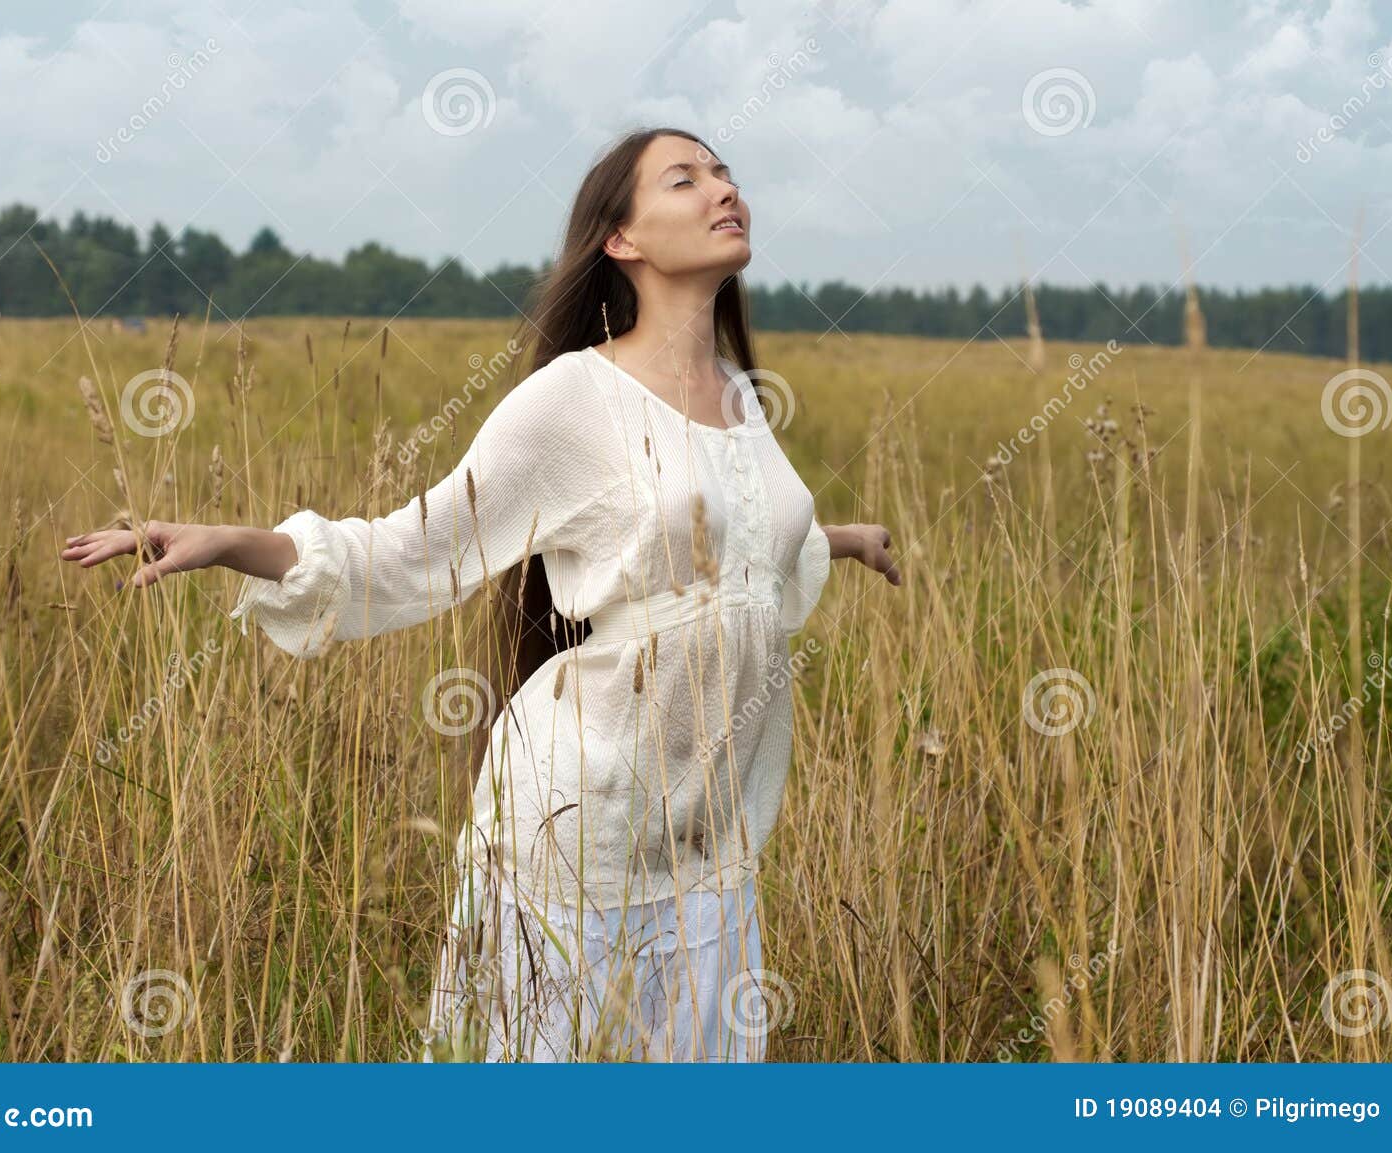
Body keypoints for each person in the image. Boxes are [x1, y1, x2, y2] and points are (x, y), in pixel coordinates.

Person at [60, 126, 901, 1062]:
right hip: (583, 822)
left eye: (725, 172)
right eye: (686, 178)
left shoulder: (744, 397)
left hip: (712, 832)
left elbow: (726, 555)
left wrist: (841, 538)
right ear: (620, 241)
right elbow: (411, 552)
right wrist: (234, 544)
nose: (723, 189)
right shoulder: (574, 399)